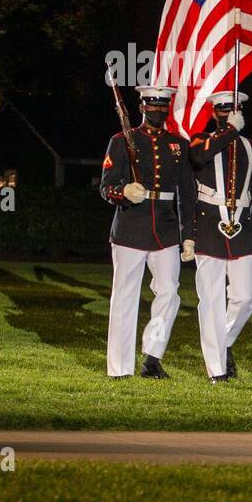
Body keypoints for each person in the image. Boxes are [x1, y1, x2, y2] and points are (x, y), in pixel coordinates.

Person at [98, 86, 194, 379]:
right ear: (142, 108)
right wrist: (123, 191)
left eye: (162, 107)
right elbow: (105, 187)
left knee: (169, 292)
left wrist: (188, 233)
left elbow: (186, 192)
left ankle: (152, 356)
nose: (158, 112)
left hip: (164, 229)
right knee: (124, 295)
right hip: (130, 226)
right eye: (152, 107)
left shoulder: (178, 144)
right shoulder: (122, 141)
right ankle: (119, 367)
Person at [189, 90, 252, 382]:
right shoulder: (201, 140)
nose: (226, 114)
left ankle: (223, 342)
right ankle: (216, 369)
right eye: (221, 110)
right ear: (213, 113)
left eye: (231, 110)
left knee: (245, 298)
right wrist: (229, 130)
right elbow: (199, 157)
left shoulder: (250, 147)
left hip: (242, 229)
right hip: (209, 225)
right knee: (211, 300)